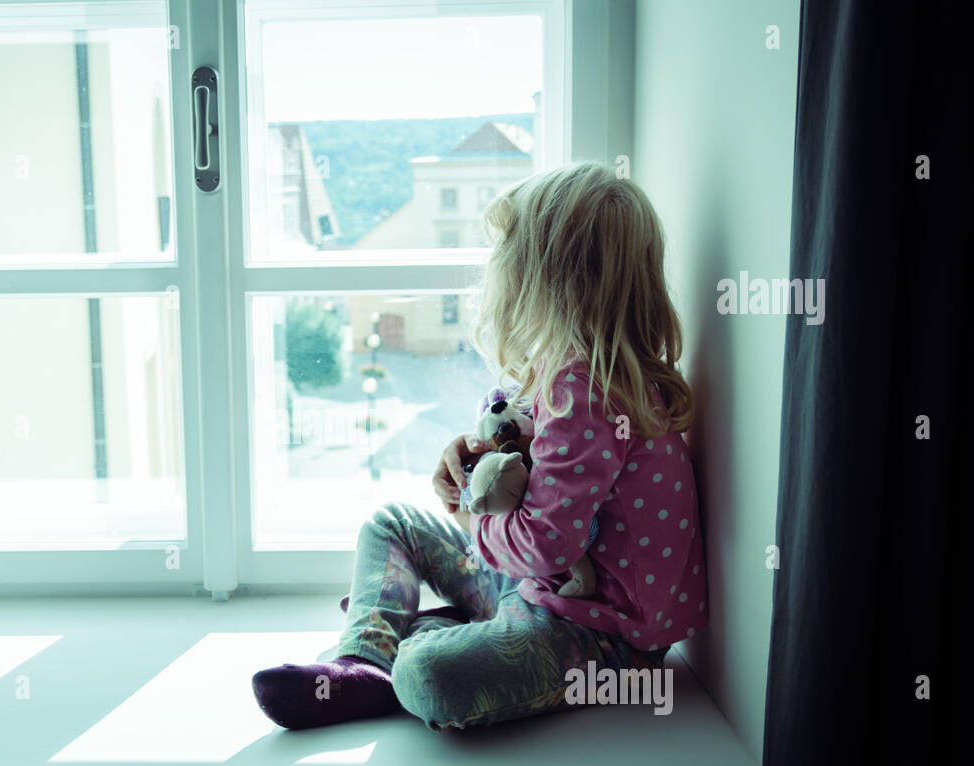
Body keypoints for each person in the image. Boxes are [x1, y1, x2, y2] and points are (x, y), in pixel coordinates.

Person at [252, 161, 706, 732]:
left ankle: (390, 640)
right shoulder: (581, 377)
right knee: (391, 521)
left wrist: (472, 514)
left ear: (549, 279)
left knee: (426, 675)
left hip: (602, 641)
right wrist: (472, 460)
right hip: (538, 592)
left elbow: (543, 544)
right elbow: (534, 466)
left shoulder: (586, 392)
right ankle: (366, 659)